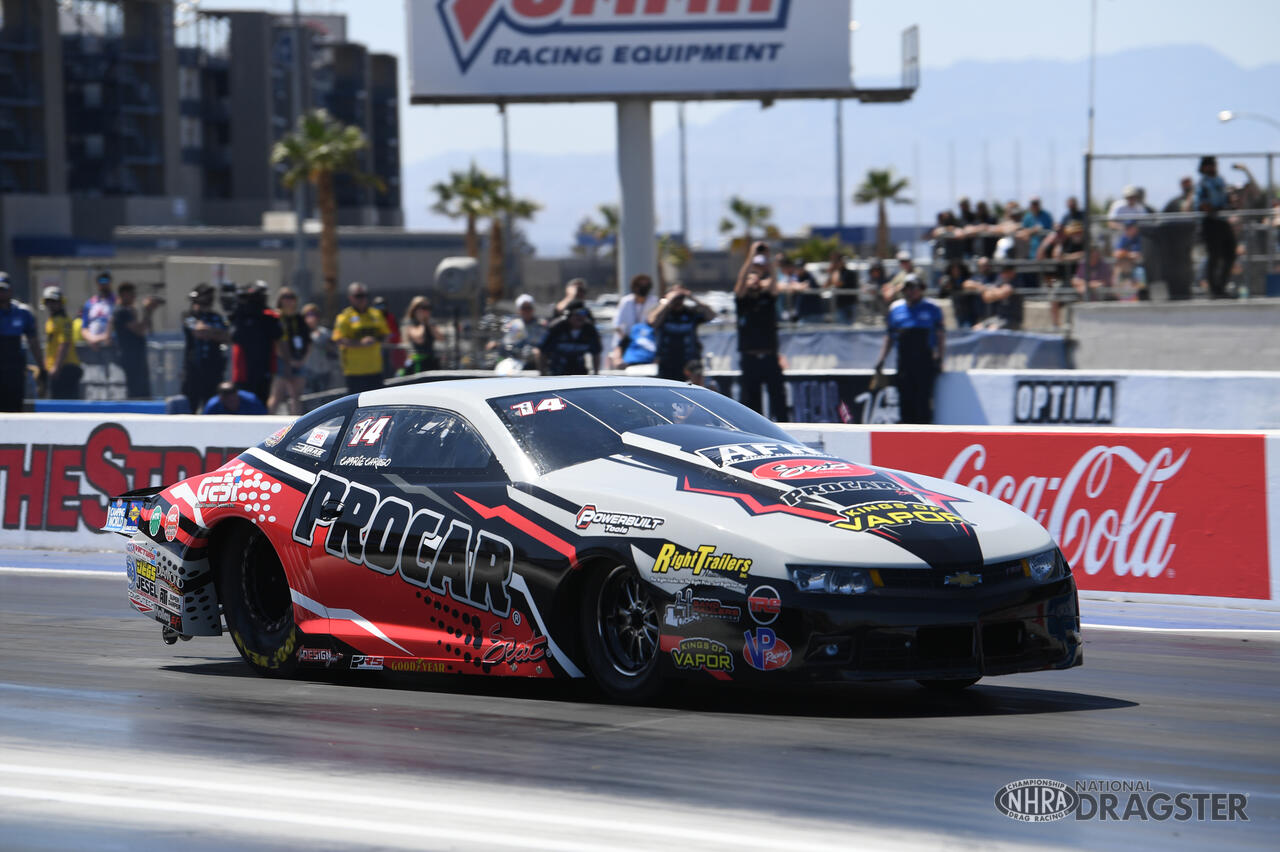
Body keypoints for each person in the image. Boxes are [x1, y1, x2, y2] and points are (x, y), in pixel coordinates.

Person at [874, 274, 944, 425]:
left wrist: (940, 358)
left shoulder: (932, 308)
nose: (910, 292)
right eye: (907, 289)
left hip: (925, 363)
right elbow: (890, 336)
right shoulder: (896, 308)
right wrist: (881, 360)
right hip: (904, 363)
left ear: (921, 289)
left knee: (923, 402)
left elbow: (940, 335)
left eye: (913, 288)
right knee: (905, 401)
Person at [733, 244, 787, 420]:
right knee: (751, 403)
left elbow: (773, 282)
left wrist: (767, 257)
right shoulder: (742, 301)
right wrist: (751, 255)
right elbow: (740, 283)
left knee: (778, 398)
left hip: (770, 357)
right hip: (750, 359)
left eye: (756, 277)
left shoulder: (767, 298)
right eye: (751, 278)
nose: (753, 280)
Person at [228, 280, 281, 406]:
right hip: (244, 369)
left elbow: (277, 333)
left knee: (262, 400)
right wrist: (242, 308)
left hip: (264, 366)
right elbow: (235, 336)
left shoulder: (268, 317)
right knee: (243, 400)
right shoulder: (241, 315)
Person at [648, 283, 714, 382]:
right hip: (667, 362)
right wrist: (668, 301)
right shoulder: (663, 313)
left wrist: (692, 297)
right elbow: (653, 321)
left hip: (689, 362)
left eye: (680, 297)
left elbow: (711, 315)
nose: (678, 300)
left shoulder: (690, 312)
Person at [332, 282, 390, 394]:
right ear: (350, 298)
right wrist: (360, 343)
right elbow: (339, 340)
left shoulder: (376, 314)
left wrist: (376, 339)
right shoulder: (345, 317)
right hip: (355, 372)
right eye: (358, 296)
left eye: (364, 295)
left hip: (375, 369)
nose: (362, 299)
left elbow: (386, 335)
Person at [182, 283, 230, 414]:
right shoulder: (188, 315)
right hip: (194, 368)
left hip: (213, 368)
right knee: (191, 404)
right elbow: (198, 332)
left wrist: (209, 331)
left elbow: (227, 336)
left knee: (212, 403)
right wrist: (215, 332)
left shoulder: (216, 317)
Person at [0, 274, 43, 411]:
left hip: (14, 368)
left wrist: (42, 366)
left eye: (3, 289)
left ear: (10, 290)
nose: (1, 293)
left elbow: (33, 341)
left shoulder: (22, 312)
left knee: (15, 405)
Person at [113, 282, 160, 399]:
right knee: (136, 390)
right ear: (124, 294)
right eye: (131, 294)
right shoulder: (121, 312)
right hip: (130, 356)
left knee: (143, 389)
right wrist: (147, 310)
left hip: (137, 355)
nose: (134, 297)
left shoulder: (130, 311)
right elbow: (139, 330)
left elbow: (146, 329)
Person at [267, 287, 308, 415]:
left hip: (298, 359)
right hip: (281, 360)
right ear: (280, 300)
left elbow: (308, 340)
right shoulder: (276, 317)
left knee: (296, 395)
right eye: (286, 297)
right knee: (277, 394)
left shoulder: (299, 318)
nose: (289, 301)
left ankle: (296, 423)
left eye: (292, 297)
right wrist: (288, 361)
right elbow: (276, 342)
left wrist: (302, 360)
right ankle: (268, 418)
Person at [538, 301, 601, 375]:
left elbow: (596, 353)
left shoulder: (590, 330)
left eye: (583, 314)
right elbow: (542, 352)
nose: (580, 317)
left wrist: (596, 373)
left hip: (580, 374)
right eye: (577, 314)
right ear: (568, 315)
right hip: (557, 374)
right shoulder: (556, 328)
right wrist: (543, 374)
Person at [41, 286, 81, 399]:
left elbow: (65, 344)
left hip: (65, 368)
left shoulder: (65, 321)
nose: (51, 305)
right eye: (49, 302)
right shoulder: (51, 320)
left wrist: (56, 367)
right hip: (54, 368)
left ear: (60, 302)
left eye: (54, 302)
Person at [610, 274, 658, 364]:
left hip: (647, 343)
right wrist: (624, 341)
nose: (643, 288)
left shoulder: (653, 301)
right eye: (640, 285)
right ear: (635, 287)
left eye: (646, 286)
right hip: (627, 341)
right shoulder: (626, 301)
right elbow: (617, 324)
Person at [493, 293, 543, 372]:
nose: (526, 311)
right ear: (519, 310)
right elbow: (508, 344)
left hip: (536, 364)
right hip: (518, 362)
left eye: (528, 308)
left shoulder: (540, 325)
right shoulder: (514, 325)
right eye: (523, 308)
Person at [301, 302, 340, 393]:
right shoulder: (301, 333)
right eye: (309, 314)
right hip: (307, 373)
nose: (312, 317)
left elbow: (334, 349)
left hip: (325, 372)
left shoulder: (325, 332)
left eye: (314, 314)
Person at [400, 295, 443, 375]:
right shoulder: (410, 322)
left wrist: (428, 324)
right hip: (417, 362)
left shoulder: (430, 323)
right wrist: (422, 322)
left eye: (429, 308)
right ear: (416, 309)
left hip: (431, 361)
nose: (427, 311)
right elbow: (419, 339)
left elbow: (440, 338)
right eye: (424, 308)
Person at [373, 295, 407, 376]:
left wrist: (388, 338)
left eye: (382, 305)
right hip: (377, 352)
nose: (380, 308)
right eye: (377, 306)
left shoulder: (391, 317)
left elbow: (396, 333)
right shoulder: (372, 319)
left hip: (392, 351)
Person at [825, 251, 859, 324]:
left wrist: (835, 270)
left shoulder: (849, 273)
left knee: (850, 327)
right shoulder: (836, 272)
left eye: (837, 261)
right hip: (840, 306)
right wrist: (830, 273)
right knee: (842, 326)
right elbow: (825, 286)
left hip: (850, 305)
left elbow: (838, 283)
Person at [203, 381, 268, 415]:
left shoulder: (251, 401)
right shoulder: (212, 405)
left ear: (237, 394)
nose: (231, 402)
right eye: (227, 400)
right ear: (221, 399)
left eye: (233, 399)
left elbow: (264, 418)